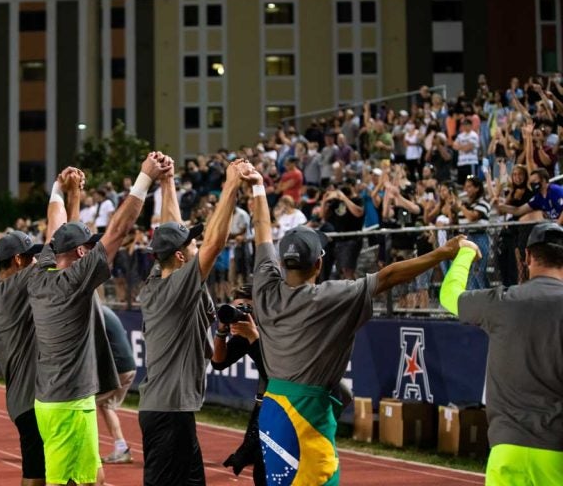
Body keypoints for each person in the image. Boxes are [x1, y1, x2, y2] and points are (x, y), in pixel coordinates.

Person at [243, 163, 462, 485]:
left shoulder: (264, 284)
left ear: (282, 261)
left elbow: (261, 228)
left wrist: (258, 187)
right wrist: (442, 253)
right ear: (319, 263)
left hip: (272, 407)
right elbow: (387, 276)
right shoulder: (330, 297)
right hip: (305, 413)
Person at [28, 152, 169, 486]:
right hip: (71, 406)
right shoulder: (75, 281)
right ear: (80, 254)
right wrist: (144, 177)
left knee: (93, 479)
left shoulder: (39, 274)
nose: (92, 249)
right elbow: (119, 229)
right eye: (87, 247)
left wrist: (61, 189)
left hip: (51, 400)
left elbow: (55, 227)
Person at [138, 158, 247, 486]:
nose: (197, 243)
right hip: (168, 412)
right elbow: (215, 244)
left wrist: (168, 182)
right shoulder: (178, 286)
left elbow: (172, 230)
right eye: (192, 244)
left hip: (171, 410)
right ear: (183, 258)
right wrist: (231, 186)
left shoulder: (161, 274)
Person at [0, 166, 82, 486]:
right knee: (65, 476)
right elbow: (62, 239)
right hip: (42, 398)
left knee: (34, 474)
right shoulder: (27, 281)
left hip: (18, 402)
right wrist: (61, 190)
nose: (38, 261)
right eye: (32, 256)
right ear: (20, 261)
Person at [440, 222, 563, 485]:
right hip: (557, 452)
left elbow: (449, 295)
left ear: (527, 257)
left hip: (506, 449)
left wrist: (465, 254)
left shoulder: (501, 302)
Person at [211, 284, 267, 485]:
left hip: (289, 405)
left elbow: (274, 373)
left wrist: (254, 336)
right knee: (260, 469)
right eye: (237, 308)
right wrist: (221, 333)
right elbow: (218, 363)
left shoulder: (276, 330)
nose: (241, 314)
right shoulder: (245, 334)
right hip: (267, 405)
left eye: (247, 308)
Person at [97, 305, 137, 464]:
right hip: (128, 367)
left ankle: (87, 449)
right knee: (106, 405)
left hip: (117, 369)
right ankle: (121, 448)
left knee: (83, 404)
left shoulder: (96, 313)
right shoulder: (105, 310)